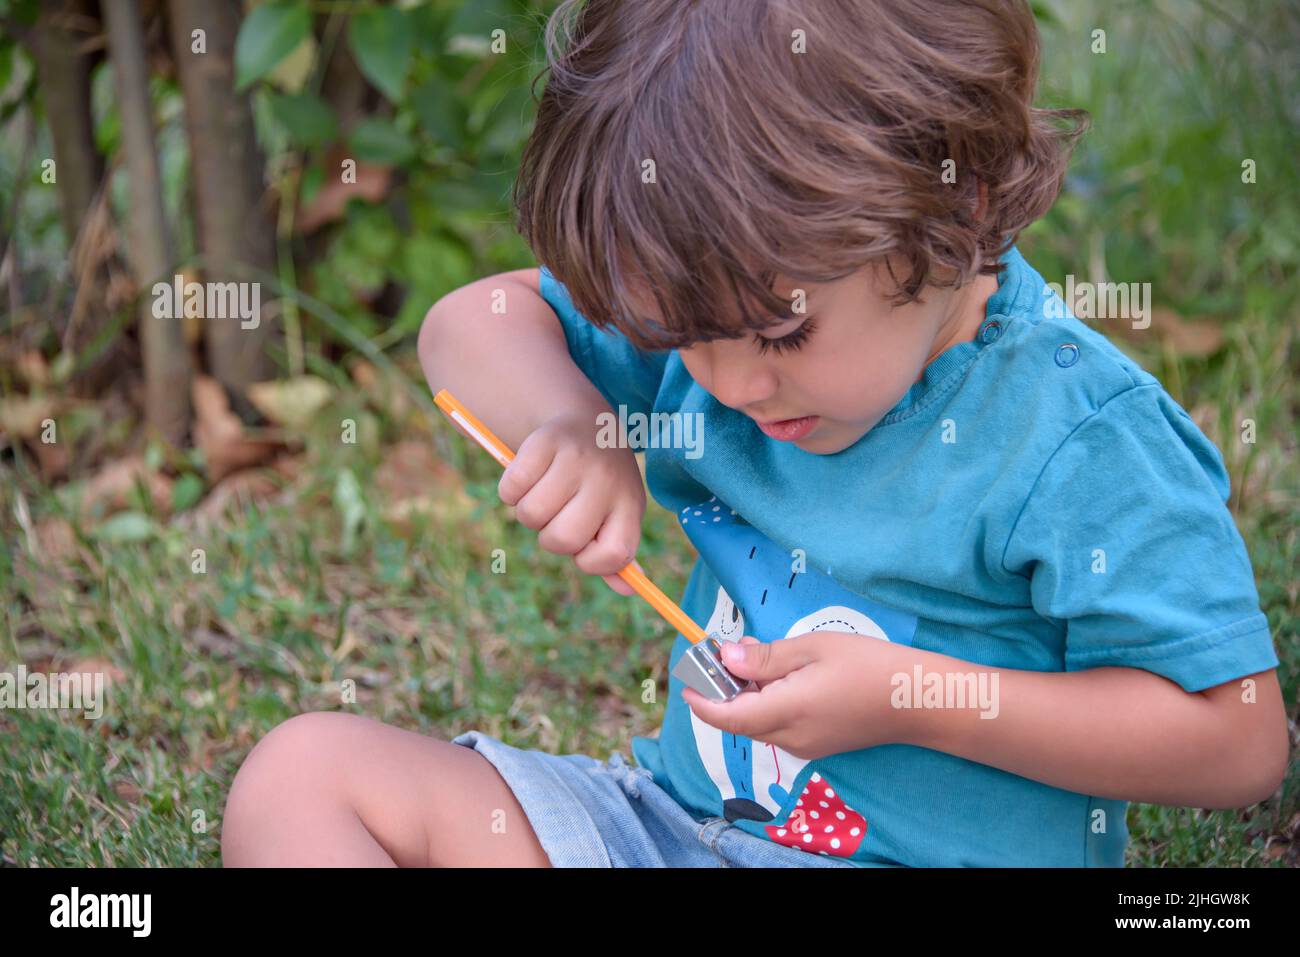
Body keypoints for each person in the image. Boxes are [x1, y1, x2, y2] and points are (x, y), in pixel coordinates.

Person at [221, 0, 1286, 867]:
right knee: (303, 779)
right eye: (674, 335)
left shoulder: (1077, 437)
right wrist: (576, 423)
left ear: (951, 219)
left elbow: (1237, 742)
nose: (724, 381)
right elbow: (471, 324)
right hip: (673, 835)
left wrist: (916, 702)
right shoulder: (721, 321)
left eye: (780, 330)